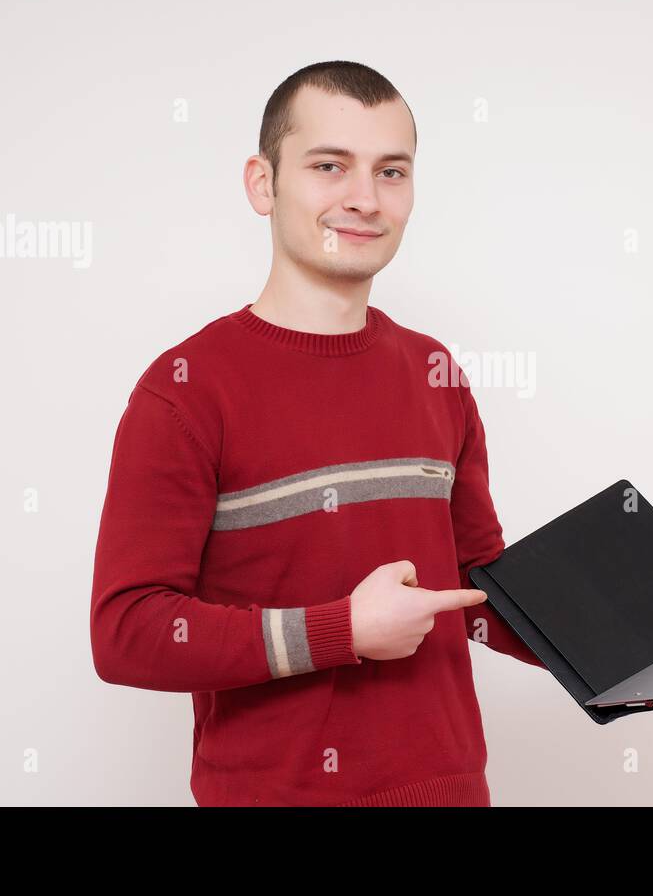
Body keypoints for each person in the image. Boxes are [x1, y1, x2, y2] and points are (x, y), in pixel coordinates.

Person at [90, 60, 547, 807]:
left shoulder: (435, 371)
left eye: (391, 171)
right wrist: (341, 630)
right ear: (262, 183)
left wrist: (625, 659)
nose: (364, 199)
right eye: (330, 165)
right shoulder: (185, 390)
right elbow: (126, 630)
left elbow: (476, 588)